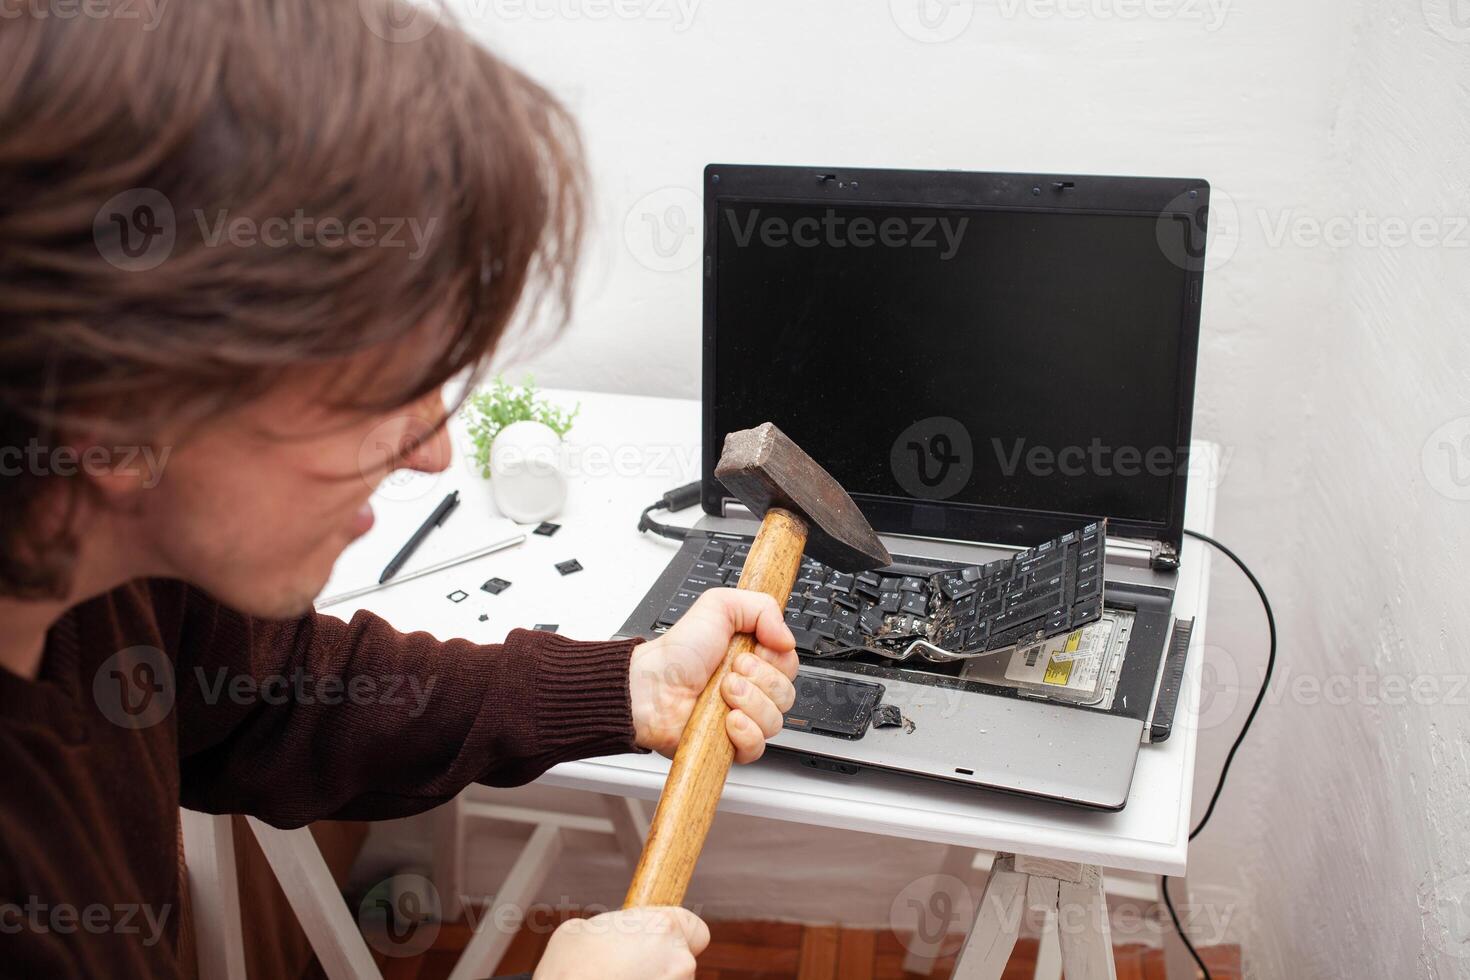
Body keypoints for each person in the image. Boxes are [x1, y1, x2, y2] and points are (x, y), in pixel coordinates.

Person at [0, 2, 797, 978]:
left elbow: (280, 693)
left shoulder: (105, 563)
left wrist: (627, 685)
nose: (434, 454)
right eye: (385, 390)